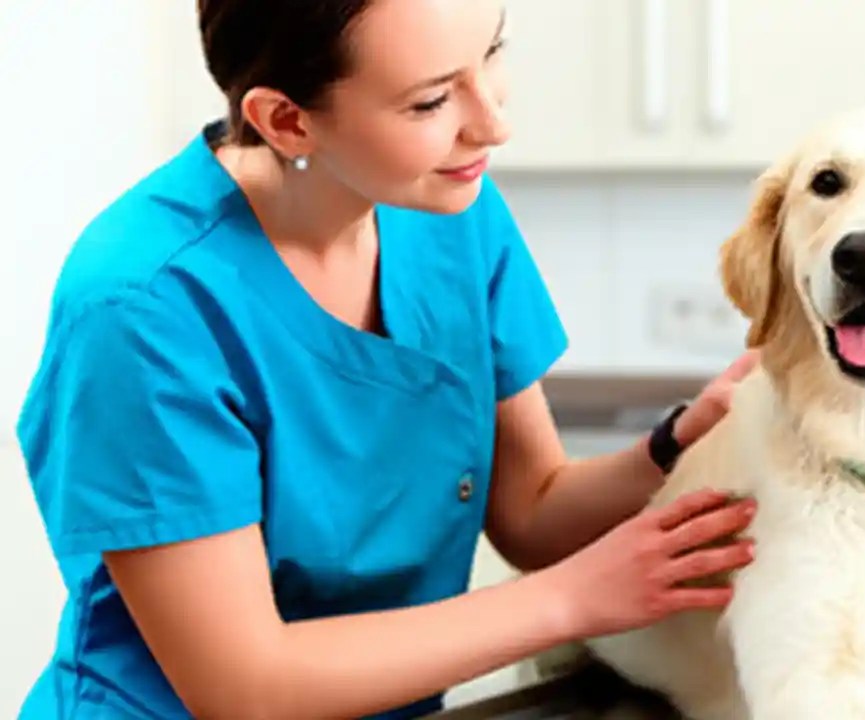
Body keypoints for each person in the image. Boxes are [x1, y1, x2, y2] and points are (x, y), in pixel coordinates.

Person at [14, 1, 760, 717]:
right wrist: (571, 599)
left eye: (492, 51)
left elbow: (533, 511)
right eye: (432, 101)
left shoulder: (447, 210)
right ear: (287, 120)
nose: (494, 123)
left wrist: (678, 442)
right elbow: (246, 687)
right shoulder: (143, 308)